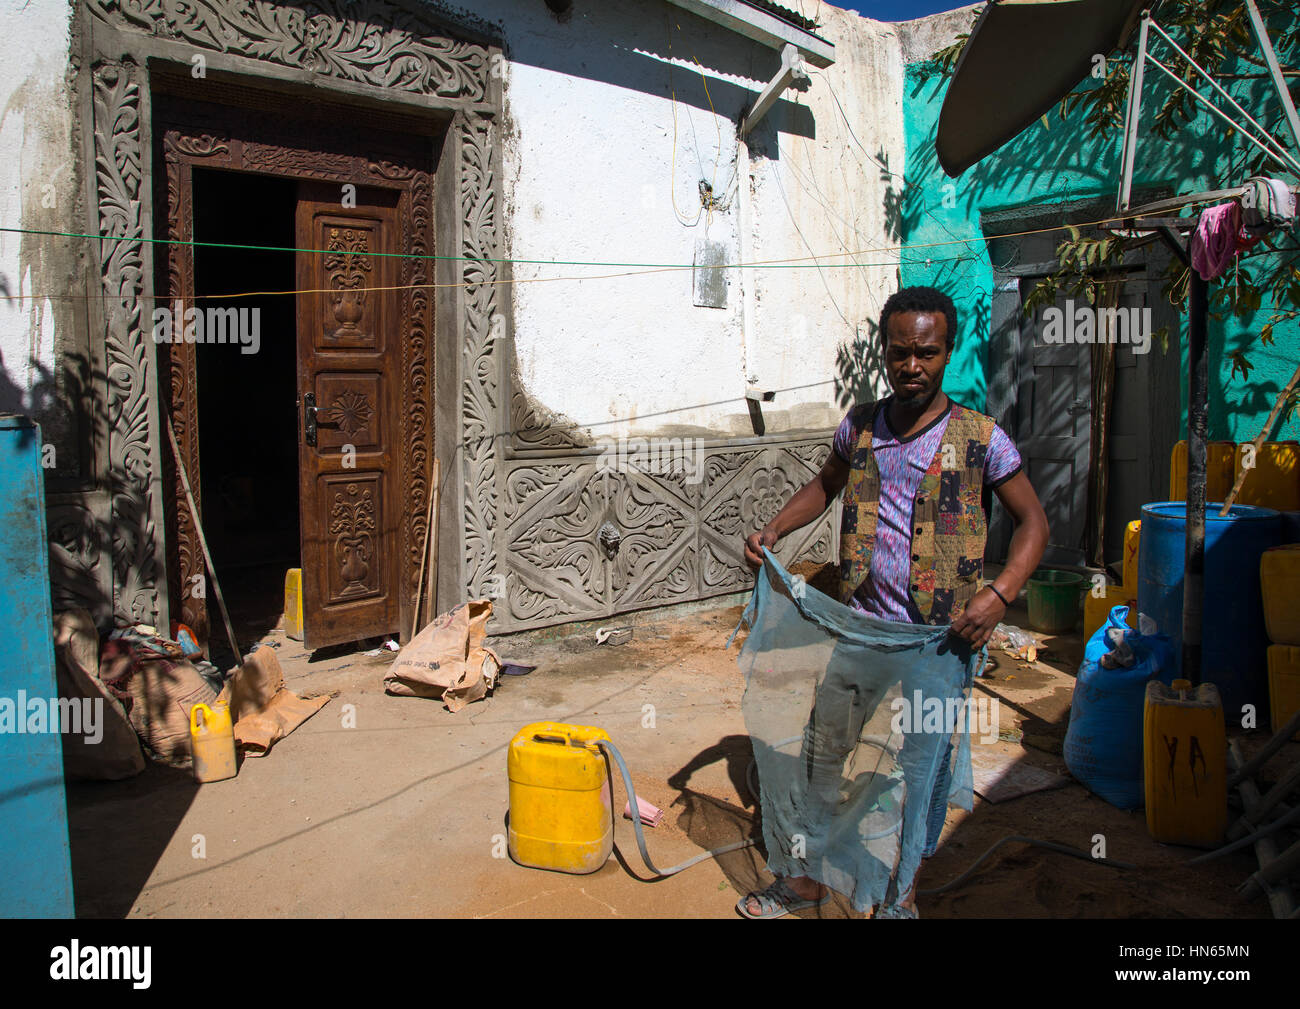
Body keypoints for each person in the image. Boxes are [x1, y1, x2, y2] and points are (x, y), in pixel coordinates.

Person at [739, 285, 1049, 918]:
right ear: (885, 350)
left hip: (940, 643)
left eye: (927, 353)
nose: (912, 366)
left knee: (920, 773)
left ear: (948, 351)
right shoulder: (860, 426)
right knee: (824, 752)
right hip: (860, 632)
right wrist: (775, 529)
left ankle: (901, 897)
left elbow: (1034, 523)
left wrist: (1000, 594)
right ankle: (805, 880)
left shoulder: (982, 438)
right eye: (900, 351)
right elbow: (825, 486)